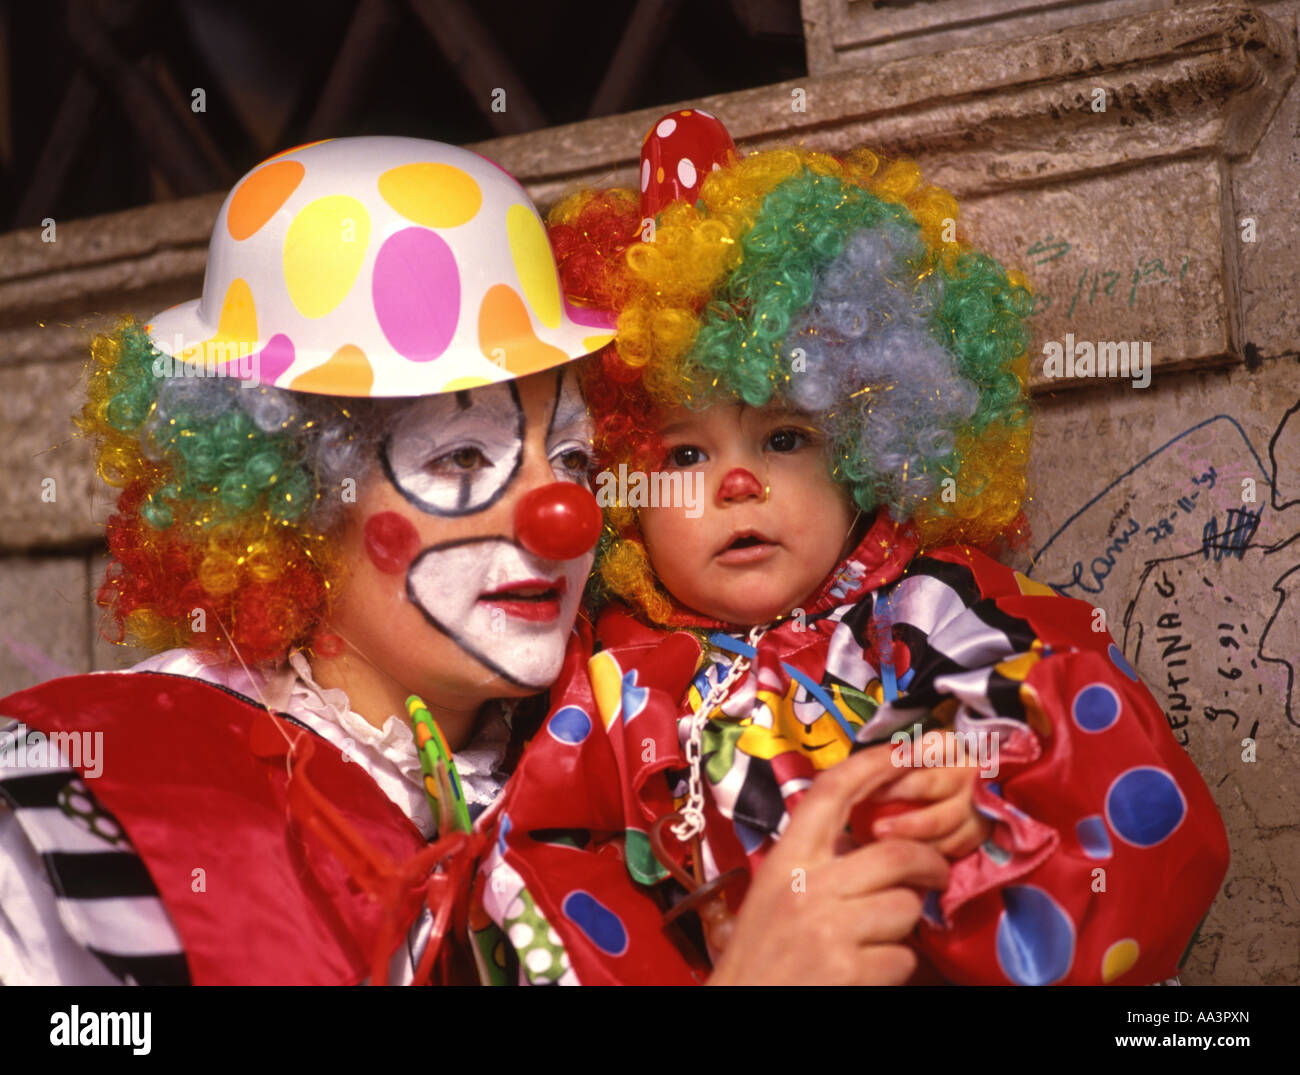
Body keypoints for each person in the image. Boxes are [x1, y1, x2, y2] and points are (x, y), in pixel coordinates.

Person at [0, 133, 948, 988]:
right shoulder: (97, 792)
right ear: (289, 495)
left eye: (573, 460)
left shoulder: (634, 762)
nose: (561, 516)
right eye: (461, 458)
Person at [471, 111, 1231, 986]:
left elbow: (1096, 733)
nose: (738, 484)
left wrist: (977, 773)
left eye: (785, 437)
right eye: (684, 454)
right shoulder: (609, 680)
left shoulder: (932, 601)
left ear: (868, 450)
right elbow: (553, 869)